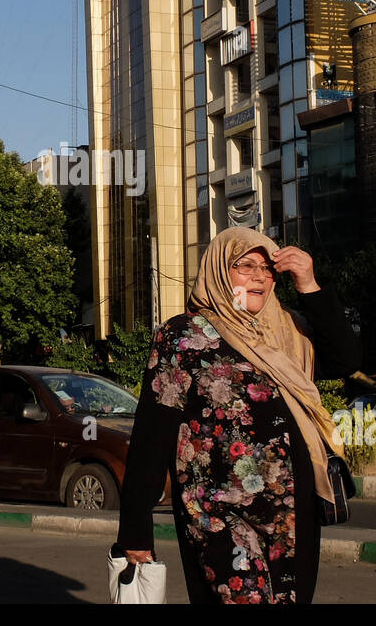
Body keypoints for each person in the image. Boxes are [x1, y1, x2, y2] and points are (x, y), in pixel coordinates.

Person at [115, 227, 362, 604]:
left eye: (267, 268)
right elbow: (152, 434)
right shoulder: (185, 336)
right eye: (246, 265)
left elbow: (346, 360)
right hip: (217, 513)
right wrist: (135, 528)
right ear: (218, 270)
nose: (260, 275)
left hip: (292, 515)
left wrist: (309, 283)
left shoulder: (287, 331)